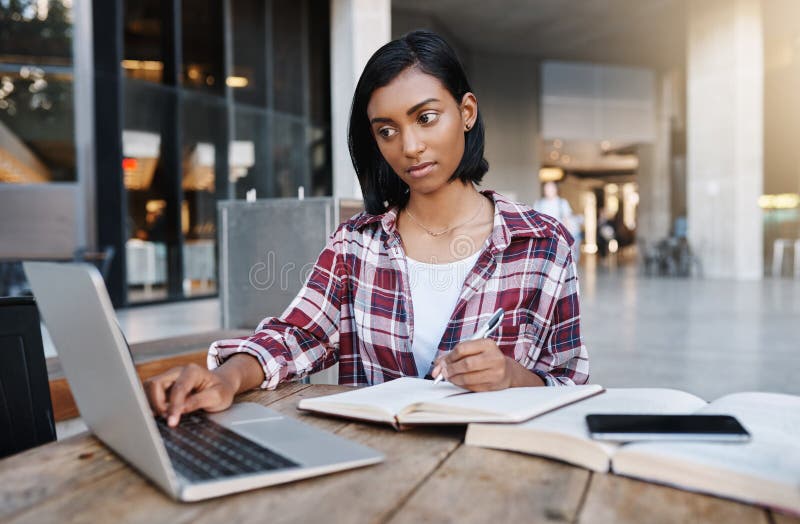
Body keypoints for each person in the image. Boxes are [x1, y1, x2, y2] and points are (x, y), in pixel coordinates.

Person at [144, 30, 589, 427]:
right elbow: (299, 334)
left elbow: (569, 386)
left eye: (426, 117)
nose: (410, 146)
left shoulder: (542, 243)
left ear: (466, 111)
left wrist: (510, 377)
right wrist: (225, 377)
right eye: (387, 130)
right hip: (373, 472)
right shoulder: (356, 244)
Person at [534, 181, 581, 262]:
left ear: (555, 190)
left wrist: (567, 238)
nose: (548, 191)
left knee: (561, 261)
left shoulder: (562, 203)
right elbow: (536, 220)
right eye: (547, 189)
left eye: (551, 188)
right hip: (545, 238)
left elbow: (566, 220)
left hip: (559, 237)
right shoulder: (539, 204)